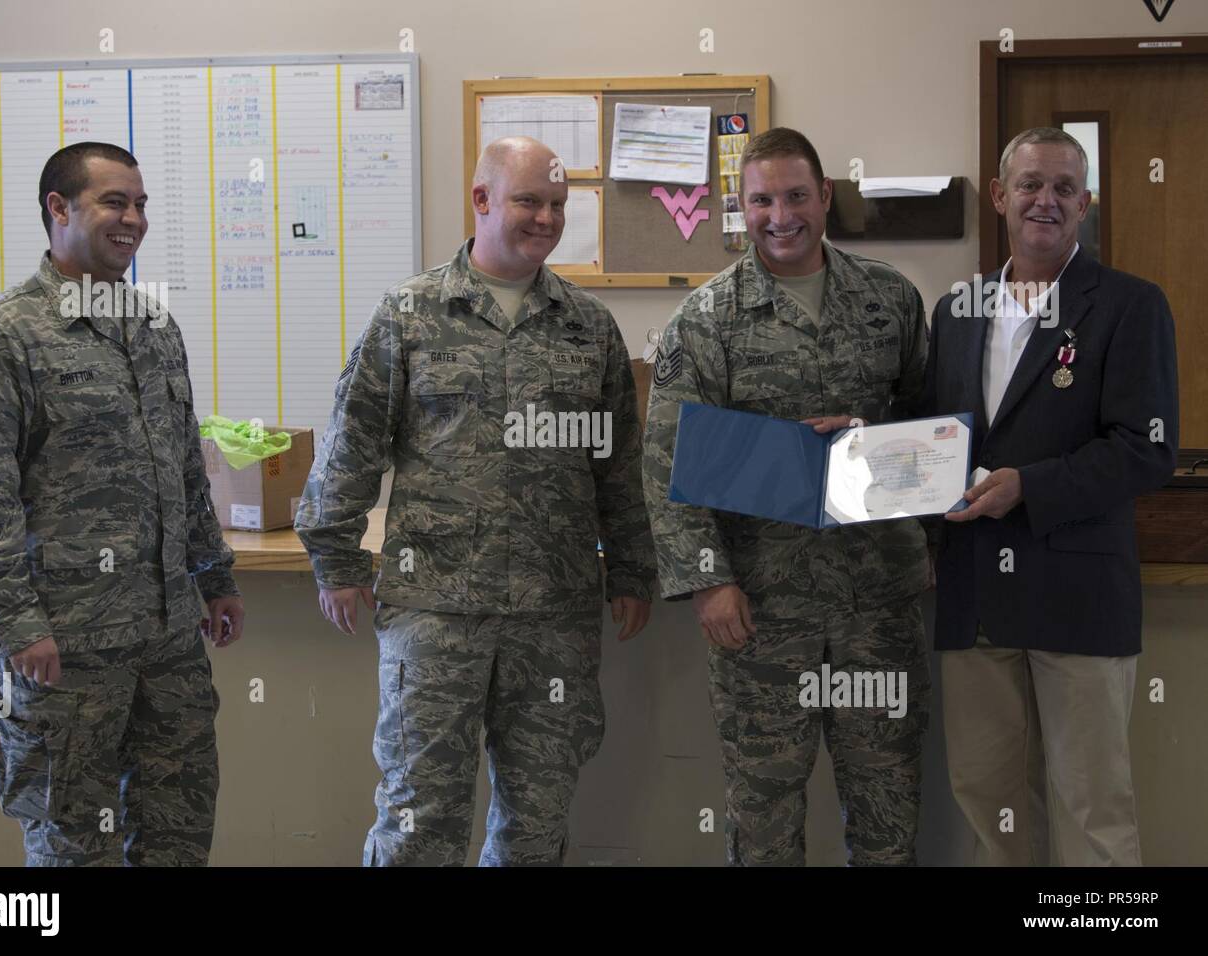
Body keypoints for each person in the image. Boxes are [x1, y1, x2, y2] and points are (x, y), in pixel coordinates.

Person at [295, 136, 655, 866]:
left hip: (554, 615)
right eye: (529, 200)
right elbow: (353, 440)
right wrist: (334, 558)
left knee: (537, 826)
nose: (545, 218)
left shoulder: (589, 327)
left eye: (556, 204)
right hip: (436, 613)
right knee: (419, 823)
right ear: (483, 199)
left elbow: (619, 466)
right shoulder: (411, 314)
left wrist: (634, 568)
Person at [0, 141, 244, 866]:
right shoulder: (2, 341)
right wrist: (18, 626)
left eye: (139, 204)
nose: (132, 218)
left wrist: (215, 575)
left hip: (167, 645)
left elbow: (185, 470)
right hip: (62, 654)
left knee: (178, 837)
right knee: (76, 848)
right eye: (114, 202)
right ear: (58, 208)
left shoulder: (155, 328)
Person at [642, 127, 931, 866]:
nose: (781, 215)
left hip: (878, 602)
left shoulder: (890, 300)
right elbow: (668, 464)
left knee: (887, 801)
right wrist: (709, 583)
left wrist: (872, 434)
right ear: (741, 208)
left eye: (797, 195)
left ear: (825, 195)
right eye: (763, 199)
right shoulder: (706, 321)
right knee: (765, 813)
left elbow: (932, 429)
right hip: (762, 612)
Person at [924, 127, 1178, 866]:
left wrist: (1028, 488)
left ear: (1084, 204)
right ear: (1001, 196)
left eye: (1065, 188)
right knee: (989, 802)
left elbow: (1147, 445)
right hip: (975, 596)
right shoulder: (956, 311)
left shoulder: (1131, 306)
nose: (1047, 200)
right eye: (1032, 184)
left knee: (1091, 805)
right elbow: (939, 435)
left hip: (1077, 592)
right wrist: (864, 441)